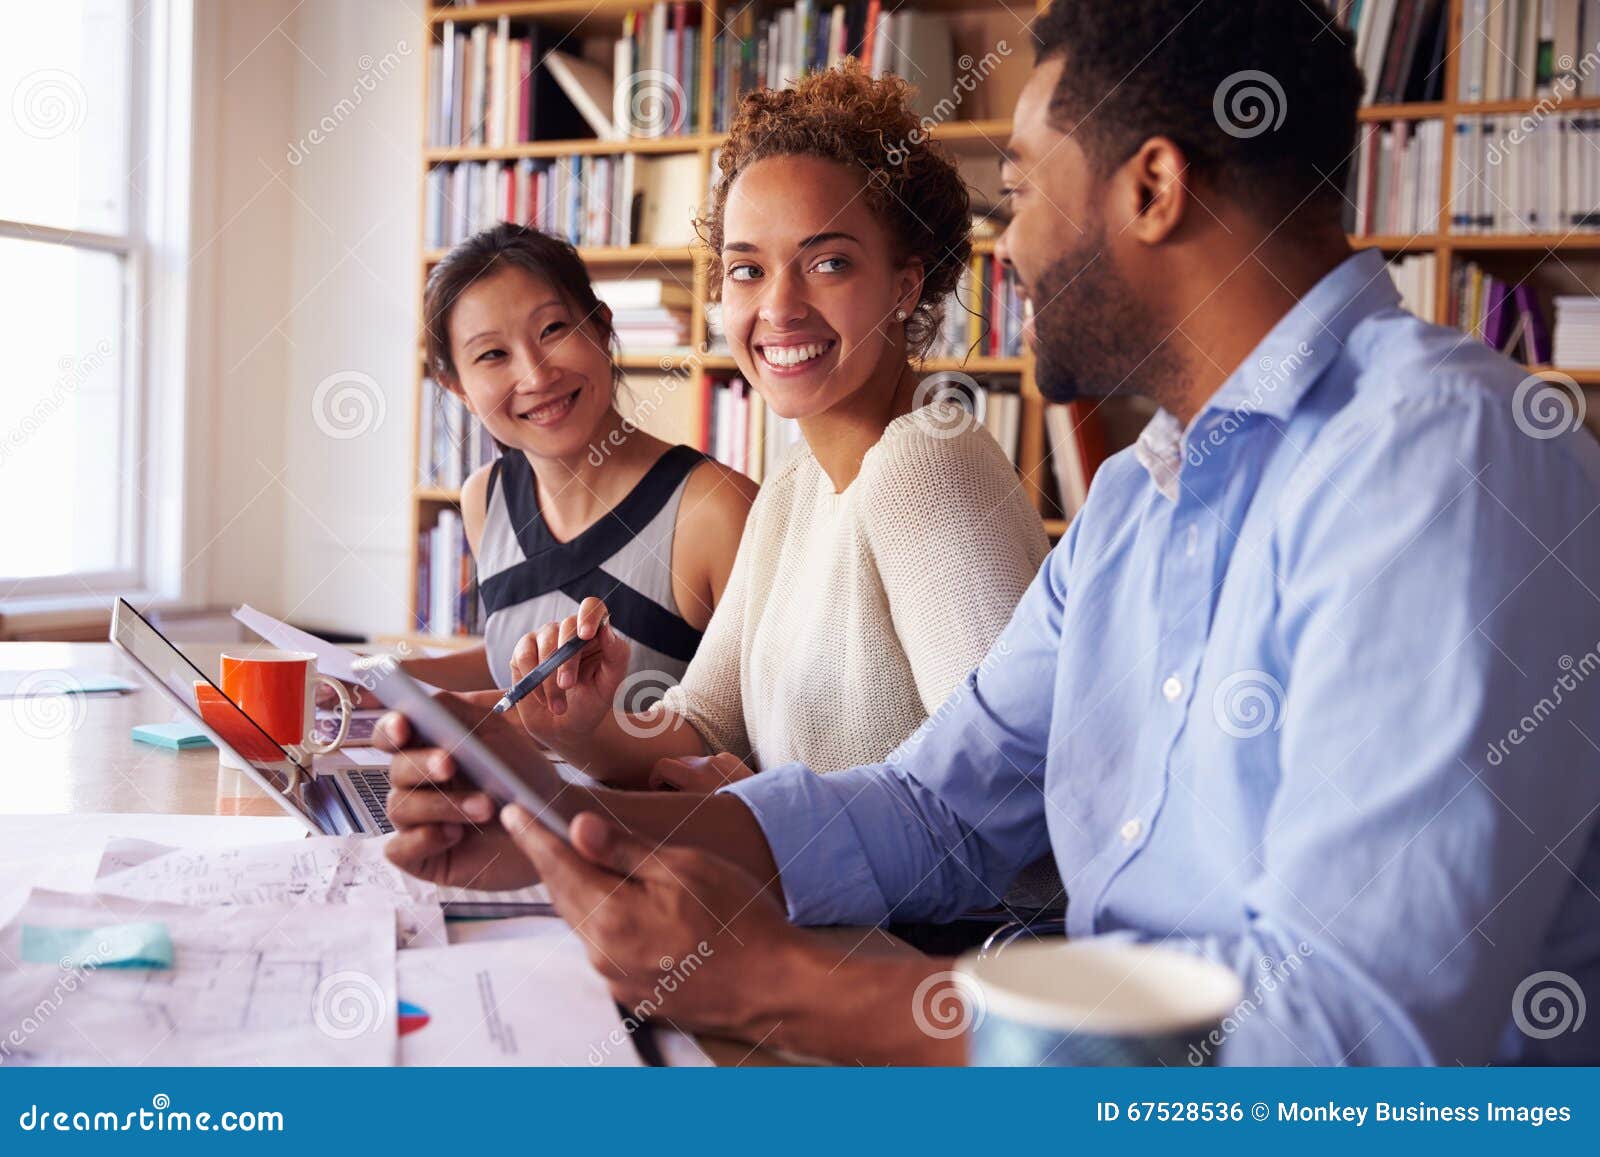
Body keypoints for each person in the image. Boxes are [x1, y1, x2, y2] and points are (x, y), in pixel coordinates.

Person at [383, 0, 1600, 1066]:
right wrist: (544, 820)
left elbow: (1340, 1045)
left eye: (1017, 190)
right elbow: (935, 808)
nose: (1005, 247)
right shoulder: (1138, 498)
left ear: (1152, 188)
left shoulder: (1441, 463)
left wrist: (778, 981)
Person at [500, 63, 1049, 794]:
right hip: (813, 908)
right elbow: (703, 723)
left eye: (827, 262)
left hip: (929, 916)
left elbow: (1005, 792)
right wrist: (583, 729)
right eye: (747, 270)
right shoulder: (794, 483)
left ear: (904, 284)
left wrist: (755, 812)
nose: (779, 307)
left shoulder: (927, 463)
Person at [392, 224, 755, 696]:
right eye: (493, 354)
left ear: (602, 328)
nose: (536, 375)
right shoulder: (486, 498)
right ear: (458, 389)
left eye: (553, 330)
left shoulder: (716, 509)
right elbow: (518, 665)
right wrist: (381, 679)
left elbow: (757, 729)